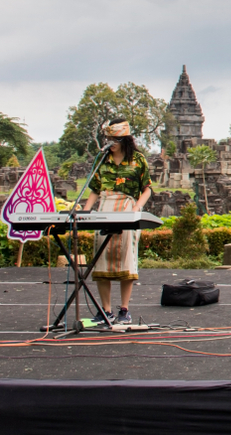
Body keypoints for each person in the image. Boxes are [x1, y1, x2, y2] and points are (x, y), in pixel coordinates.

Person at [83, 119, 153, 325]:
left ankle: (124, 309)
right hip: (105, 208)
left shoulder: (138, 160)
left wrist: (136, 207)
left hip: (127, 209)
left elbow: (147, 188)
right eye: (108, 138)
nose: (111, 142)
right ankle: (105, 310)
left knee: (126, 259)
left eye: (115, 139)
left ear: (125, 139)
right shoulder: (102, 160)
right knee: (101, 259)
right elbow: (95, 188)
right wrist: (86, 211)